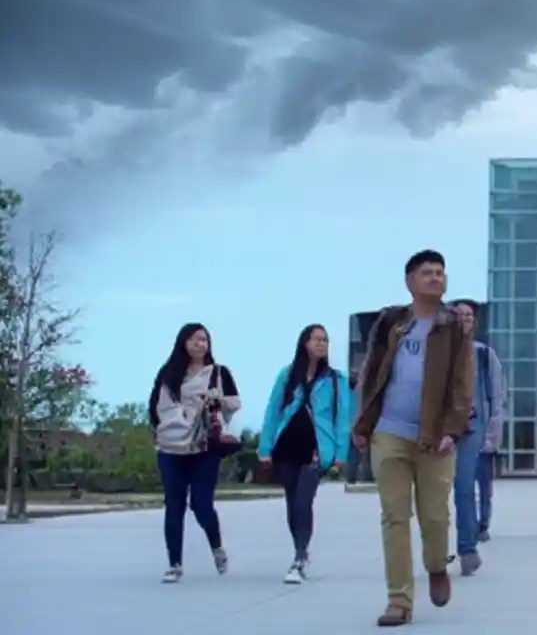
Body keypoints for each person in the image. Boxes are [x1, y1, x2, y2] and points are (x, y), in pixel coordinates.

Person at [351, 249, 475, 628]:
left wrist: (452, 430)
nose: (435, 278)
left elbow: (462, 383)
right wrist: (362, 424)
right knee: (394, 517)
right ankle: (399, 600)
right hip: (389, 433)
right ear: (410, 281)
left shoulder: (454, 326)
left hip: (435, 437)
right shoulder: (391, 321)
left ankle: (437, 565)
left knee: (435, 517)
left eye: (440, 272)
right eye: (427, 272)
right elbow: (371, 371)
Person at [257, 324, 354, 584]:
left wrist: (340, 455)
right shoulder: (287, 375)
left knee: (304, 501)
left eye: (325, 340)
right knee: (292, 503)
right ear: (305, 343)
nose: (322, 344)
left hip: (317, 447)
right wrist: (265, 449)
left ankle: (299, 558)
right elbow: (272, 412)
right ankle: (300, 550)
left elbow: (343, 419)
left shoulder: (337, 380)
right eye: (317, 339)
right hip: (287, 444)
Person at [148, 323, 241, 584]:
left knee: (201, 504)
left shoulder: (219, 373)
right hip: (172, 447)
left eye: (204, 340)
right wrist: (168, 429)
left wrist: (217, 400)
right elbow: (156, 408)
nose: (200, 344)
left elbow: (235, 402)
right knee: (173, 506)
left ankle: (217, 547)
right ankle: (174, 564)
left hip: (204, 447)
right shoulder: (169, 374)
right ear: (183, 343)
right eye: (194, 339)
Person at [449, 298, 507, 575]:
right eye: (458, 315)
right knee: (434, 494)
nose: (464, 319)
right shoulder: (437, 352)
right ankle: (440, 548)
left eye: (469, 315)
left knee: (465, 489)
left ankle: (467, 547)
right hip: (439, 429)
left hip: (472, 429)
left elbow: (497, 397)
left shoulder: (484, 355)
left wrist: (492, 434)